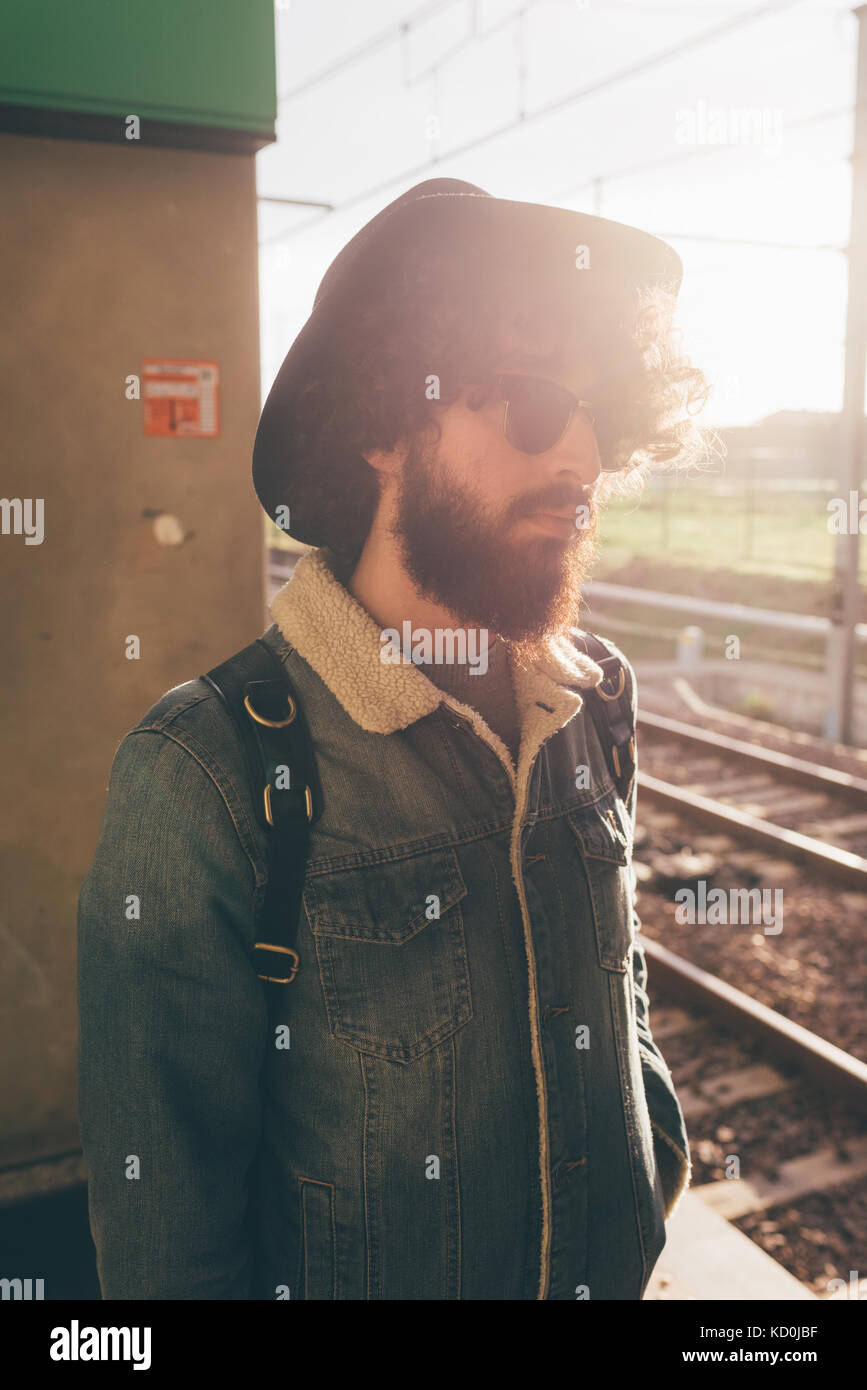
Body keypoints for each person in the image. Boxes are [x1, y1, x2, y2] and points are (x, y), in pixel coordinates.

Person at [77, 177, 708, 1300]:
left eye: (599, 417)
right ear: (380, 422)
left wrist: (645, 1178)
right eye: (531, 405)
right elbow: (167, 1245)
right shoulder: (204, 773)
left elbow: (622, 999)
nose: (579, 458)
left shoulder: (593, 700)